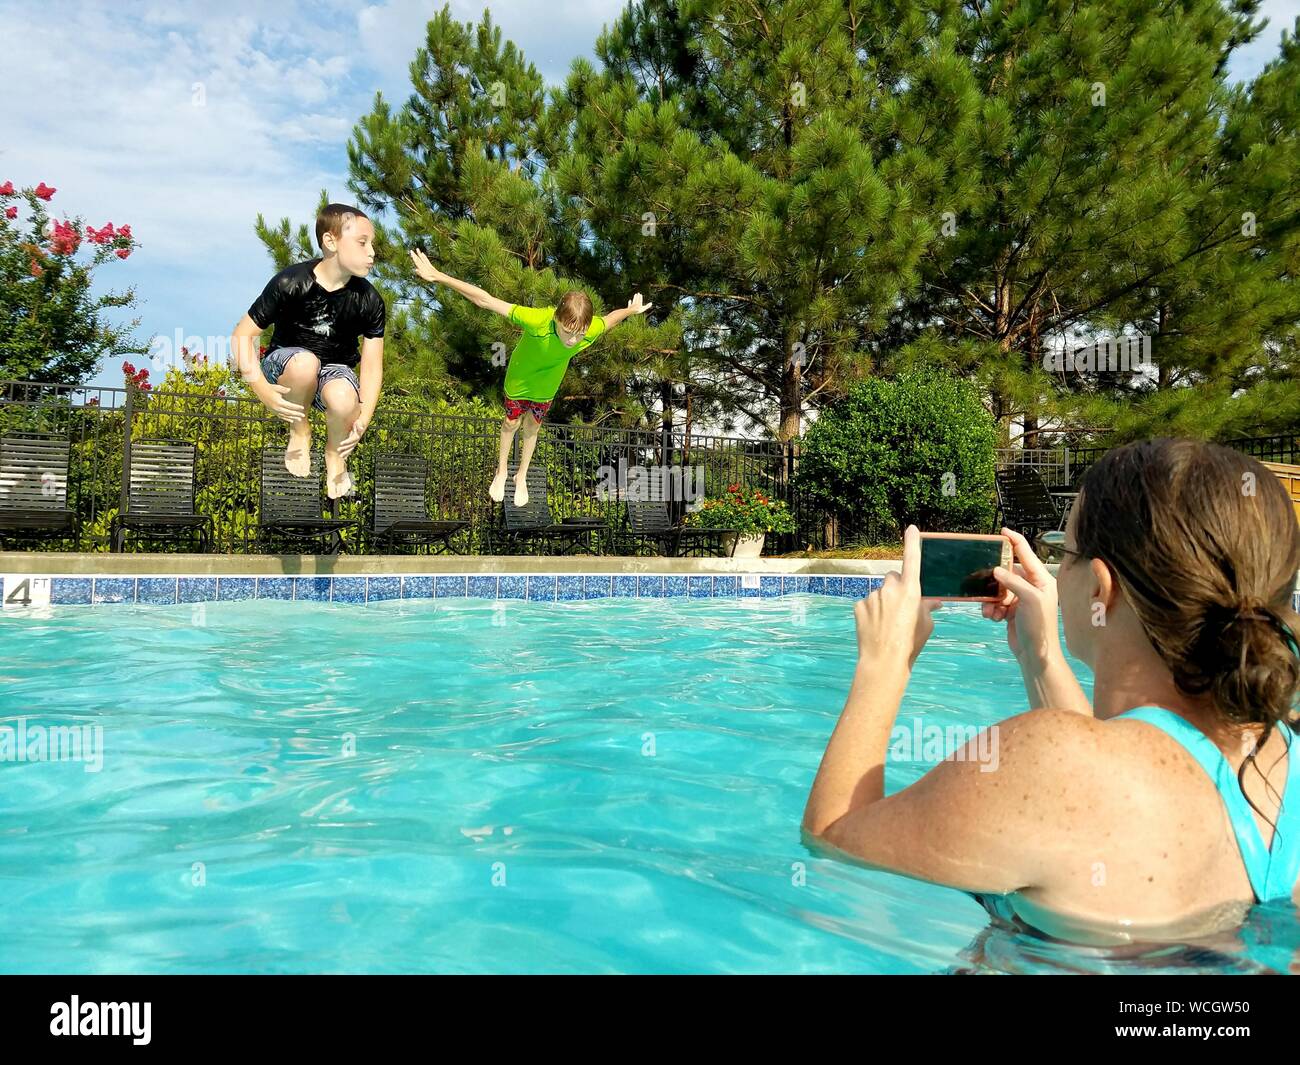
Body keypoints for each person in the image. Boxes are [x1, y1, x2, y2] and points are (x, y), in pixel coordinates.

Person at [803, 438, 1300, 944]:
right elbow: (1110, 784)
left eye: (1066, 551)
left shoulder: (1045, 761)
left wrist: (884, 661)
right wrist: (1041, 659)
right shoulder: (1285, 754)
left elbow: (832, 843)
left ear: (1101, 588)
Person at [408, 248, 652, 506]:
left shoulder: (589, 330)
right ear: (557, 318)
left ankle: (520, 476)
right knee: (511, 423)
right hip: (520, 379)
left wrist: (630, 310)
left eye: (578, 334)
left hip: (546, 385)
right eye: (567, 331)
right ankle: (501, 471)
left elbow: (610, 319)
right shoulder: (538, 320)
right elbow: (486, 300)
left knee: (533, 426)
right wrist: (438, 276)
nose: (572, 340)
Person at [231, 203, 385, 499]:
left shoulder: (370, 301)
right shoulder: (290, 282)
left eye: (372, 244)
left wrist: (363, 415)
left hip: (334, 369)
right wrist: (262, 389)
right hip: (287, 363)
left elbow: (371, 365)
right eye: (362, 243)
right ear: (331, 242)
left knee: (342, 397)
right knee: (305, 363)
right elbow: (242, 336)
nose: (371, 253)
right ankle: (300, 430)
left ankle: (335, 454)